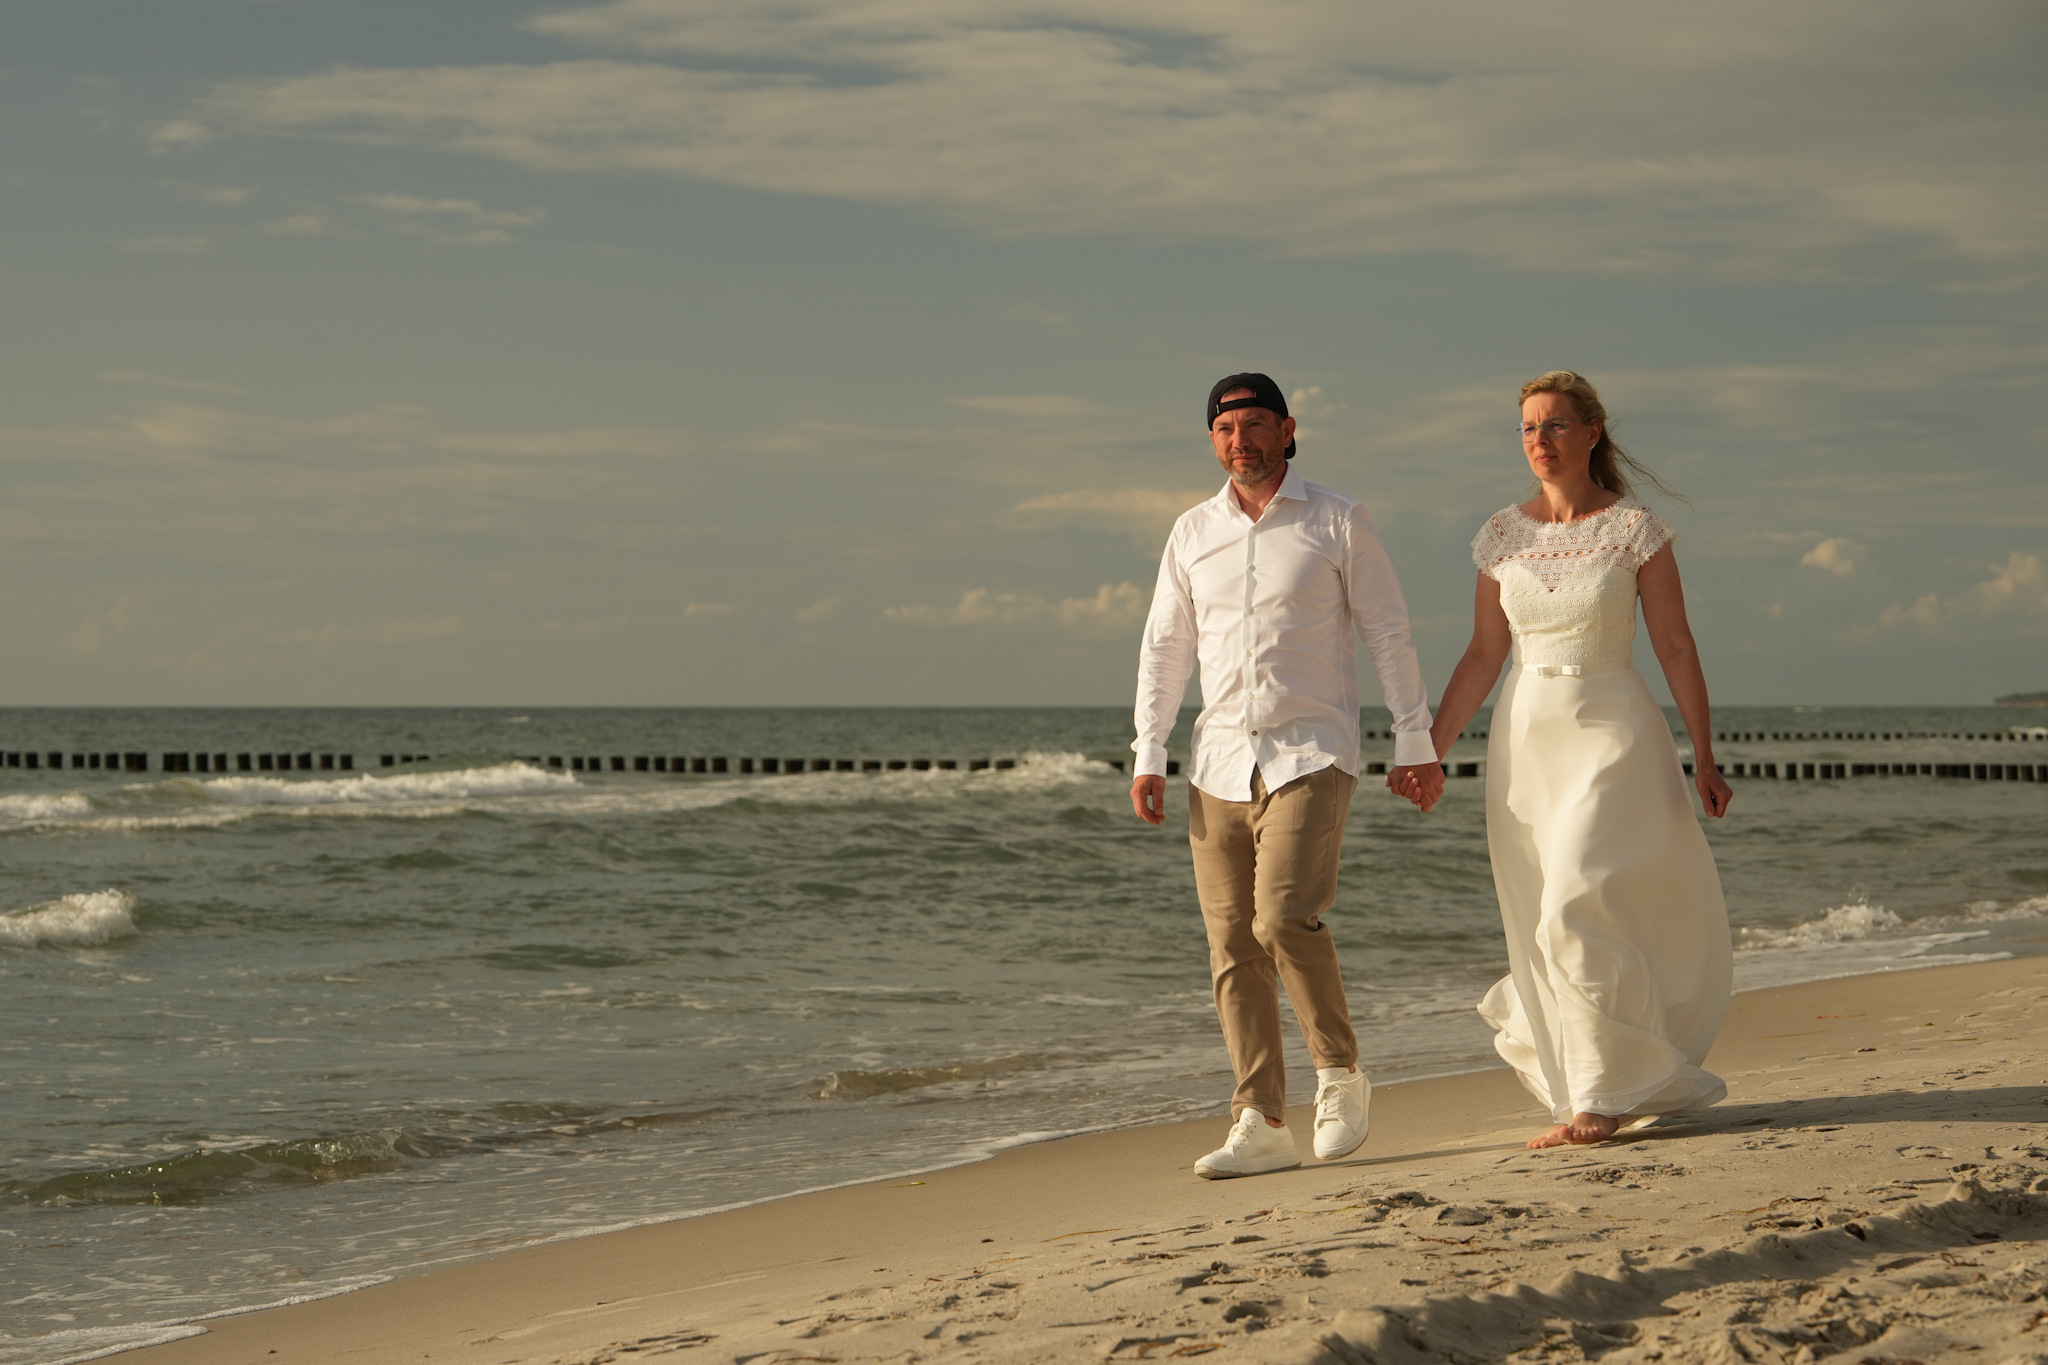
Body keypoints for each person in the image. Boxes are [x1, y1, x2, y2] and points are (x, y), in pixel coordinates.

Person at [1131, 372, 1442, 1179]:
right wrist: (1148, 747)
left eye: (1257, 424)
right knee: (1232, 945)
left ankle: (1339, 1073)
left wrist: (1415, 735)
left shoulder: (1338, 519)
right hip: (1217, 762)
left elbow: (1386, 629)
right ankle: (1261, 1119)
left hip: (1312, 752)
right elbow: (1166, 645)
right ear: (1212, 440)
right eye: (1228, 428)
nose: (1244, 440)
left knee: (1282, 917)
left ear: (1289, 428)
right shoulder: (1191, 531)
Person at [1429, 370, 1733, 1150]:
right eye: (1528, 428)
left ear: (1592, 432)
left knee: (1576, 895)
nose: (1540, 440)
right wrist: (1425, 749)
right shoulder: (1501, 535)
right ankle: (1599, 1078)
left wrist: (1703, 750)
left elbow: (1675, 644)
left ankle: (1598, 1096)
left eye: (1555, 425)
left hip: (1613, 731)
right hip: (1527, 739)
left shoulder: (1636, 529)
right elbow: (1480, 656)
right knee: (1543, 912)